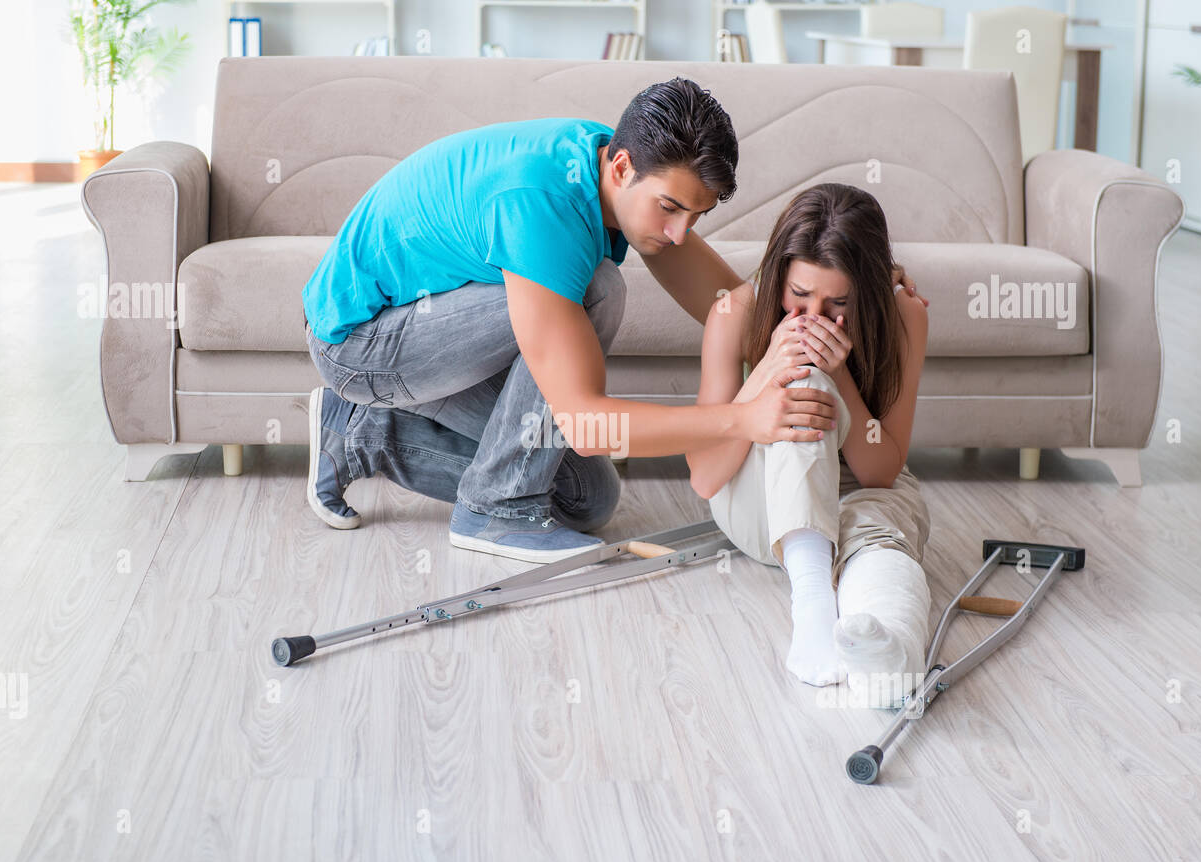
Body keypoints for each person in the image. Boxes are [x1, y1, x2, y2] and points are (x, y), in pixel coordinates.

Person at [302, 77, 805, 564]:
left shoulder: (610, 167)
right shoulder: (545, 204)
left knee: (586, 498)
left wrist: (837, 305)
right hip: (359, 345)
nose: (679, 234)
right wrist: (741, 420)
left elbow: (730, 305)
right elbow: (584, 423)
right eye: (670, 208)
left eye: (695, 217)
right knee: (597, 288)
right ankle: (494, 508)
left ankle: (359, 432)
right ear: (623, 167)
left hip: (426, 337)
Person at [687, 183, 934, 709]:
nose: (812, 317)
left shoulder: (903, 315)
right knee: (804, 386)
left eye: (837, 303)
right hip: (760, 502)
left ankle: (885, 648)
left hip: (859, 495)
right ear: (779, 276)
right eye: (798, 296)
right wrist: (769, 376)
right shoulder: (734, 313)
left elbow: (882, 471)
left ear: (865, 293)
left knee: (877, 536)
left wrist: (840, 374)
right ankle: (814, 605)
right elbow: (706, 477)